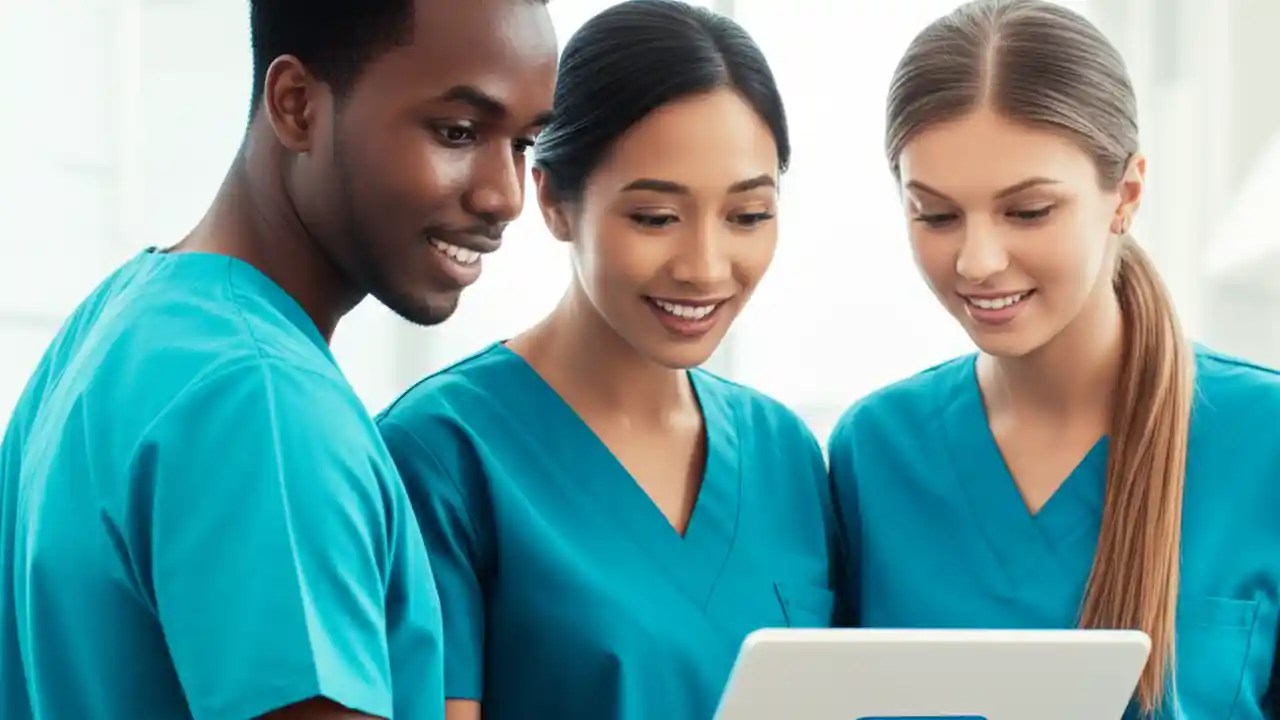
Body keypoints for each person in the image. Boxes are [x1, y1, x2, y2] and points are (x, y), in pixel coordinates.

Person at [0, 1, 556, 718]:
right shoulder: (263, 404)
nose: (504, 196)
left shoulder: (125, 320)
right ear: (297, 105)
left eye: (525, 144)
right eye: (458, 132)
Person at [376, 2, 835, 718]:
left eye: (747, 216)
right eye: (655, 217)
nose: (705, 267)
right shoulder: (441, 456)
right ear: (555, 200)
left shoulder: (788, 458)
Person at [827, 0, 1280, 717]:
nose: (976, 261)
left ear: (1125, 194)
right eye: (936, 216)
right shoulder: (876, 453)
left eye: (1028, 211)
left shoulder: (1264, 439)